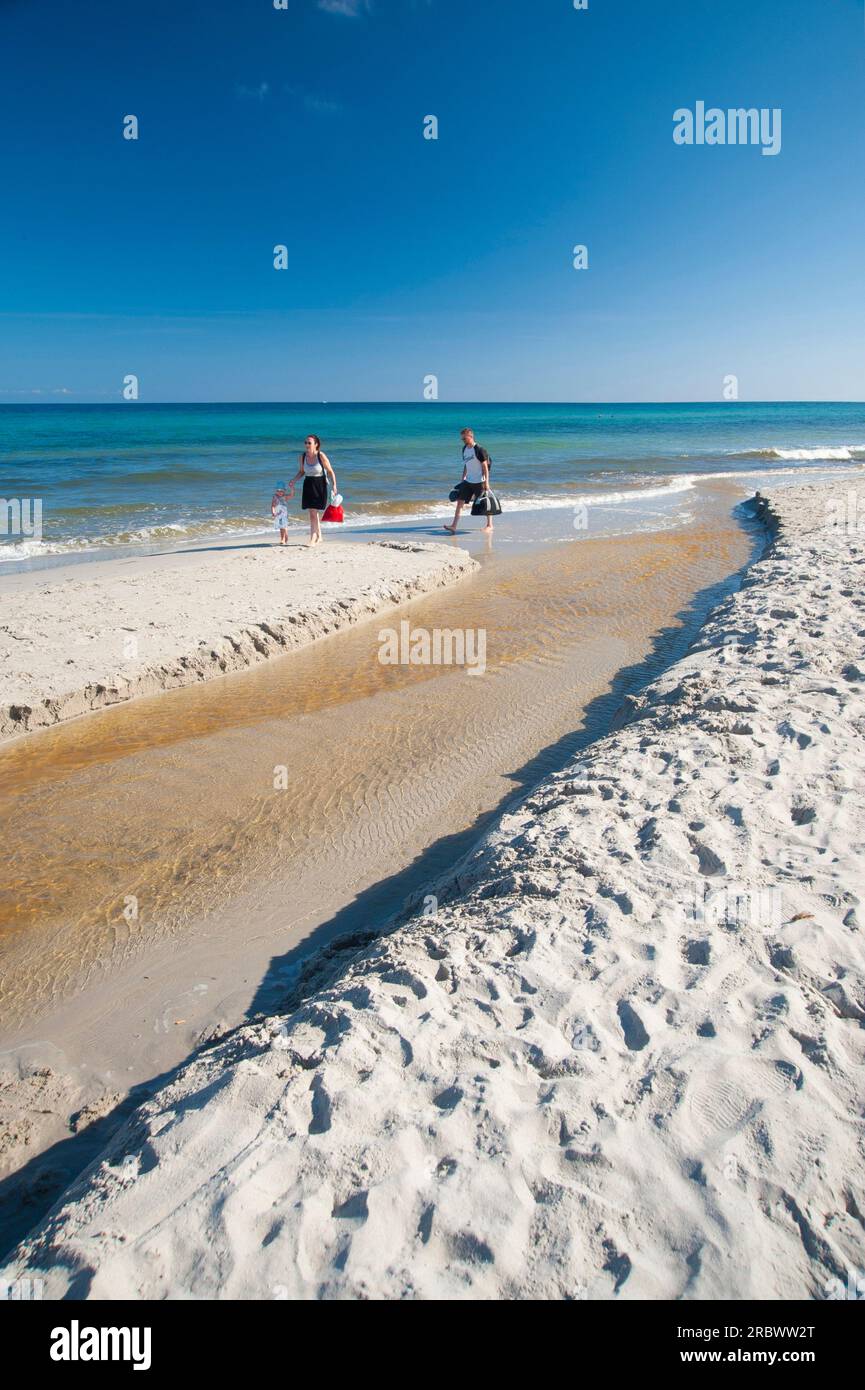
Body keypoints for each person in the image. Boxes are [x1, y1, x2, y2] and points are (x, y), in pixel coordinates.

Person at [289, 435, 337, 546]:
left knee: (313, 513)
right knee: (312, 513)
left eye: (309, 443)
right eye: (305, 442)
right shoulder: (302, 456)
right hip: (308, 485)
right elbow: (302, 471)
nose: (306, 445)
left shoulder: (321, 456)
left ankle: (313, 539)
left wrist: (334, 485)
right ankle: (318, 536)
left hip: (319, 485)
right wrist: (294, 480)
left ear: (316, 444)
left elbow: (330, 471)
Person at [444, 427, 493, 534]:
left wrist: (486, 482)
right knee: (460, 502)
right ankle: (454, 526)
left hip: (479, 481)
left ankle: (489, 525)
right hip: (468, 481)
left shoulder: (479, 449)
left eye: (464, 439)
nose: (463, 441)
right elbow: (466, 465)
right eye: (462, 439)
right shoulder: (464, 449)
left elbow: (485, 466)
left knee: (484, 503)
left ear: (471, 437)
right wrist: (463, 478)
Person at [271, 481, 291, 546]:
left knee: (283, 526)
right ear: (276, 491)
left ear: (284, 491)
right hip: (278, 514)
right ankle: (282, 538)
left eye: (281, 491)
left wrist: (292, 488)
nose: (280, 492)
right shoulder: (275, 497)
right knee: (281, 527)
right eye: (278, 491)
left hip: (284, 514)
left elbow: (292, 495)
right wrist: (273, 512)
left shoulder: (285, 497)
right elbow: (273, 505)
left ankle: (285, 537)